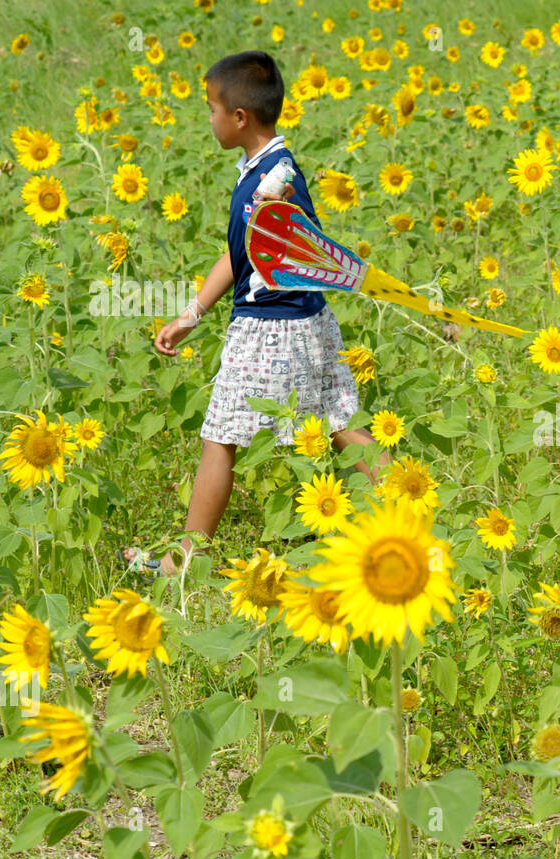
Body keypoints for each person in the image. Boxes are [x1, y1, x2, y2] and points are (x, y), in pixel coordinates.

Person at [136, 50, 389, 577]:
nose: (207, 120)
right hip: (309, 323)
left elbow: (294, 240)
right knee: (337, 423)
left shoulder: (276, 179)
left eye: (210, 110)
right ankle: (410, 512)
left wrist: (277, 196)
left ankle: (180, 562)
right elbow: (240, 252)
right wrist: (192, 314)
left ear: (239, 118)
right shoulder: (262, 170)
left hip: (269, 329)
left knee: (220, 439)